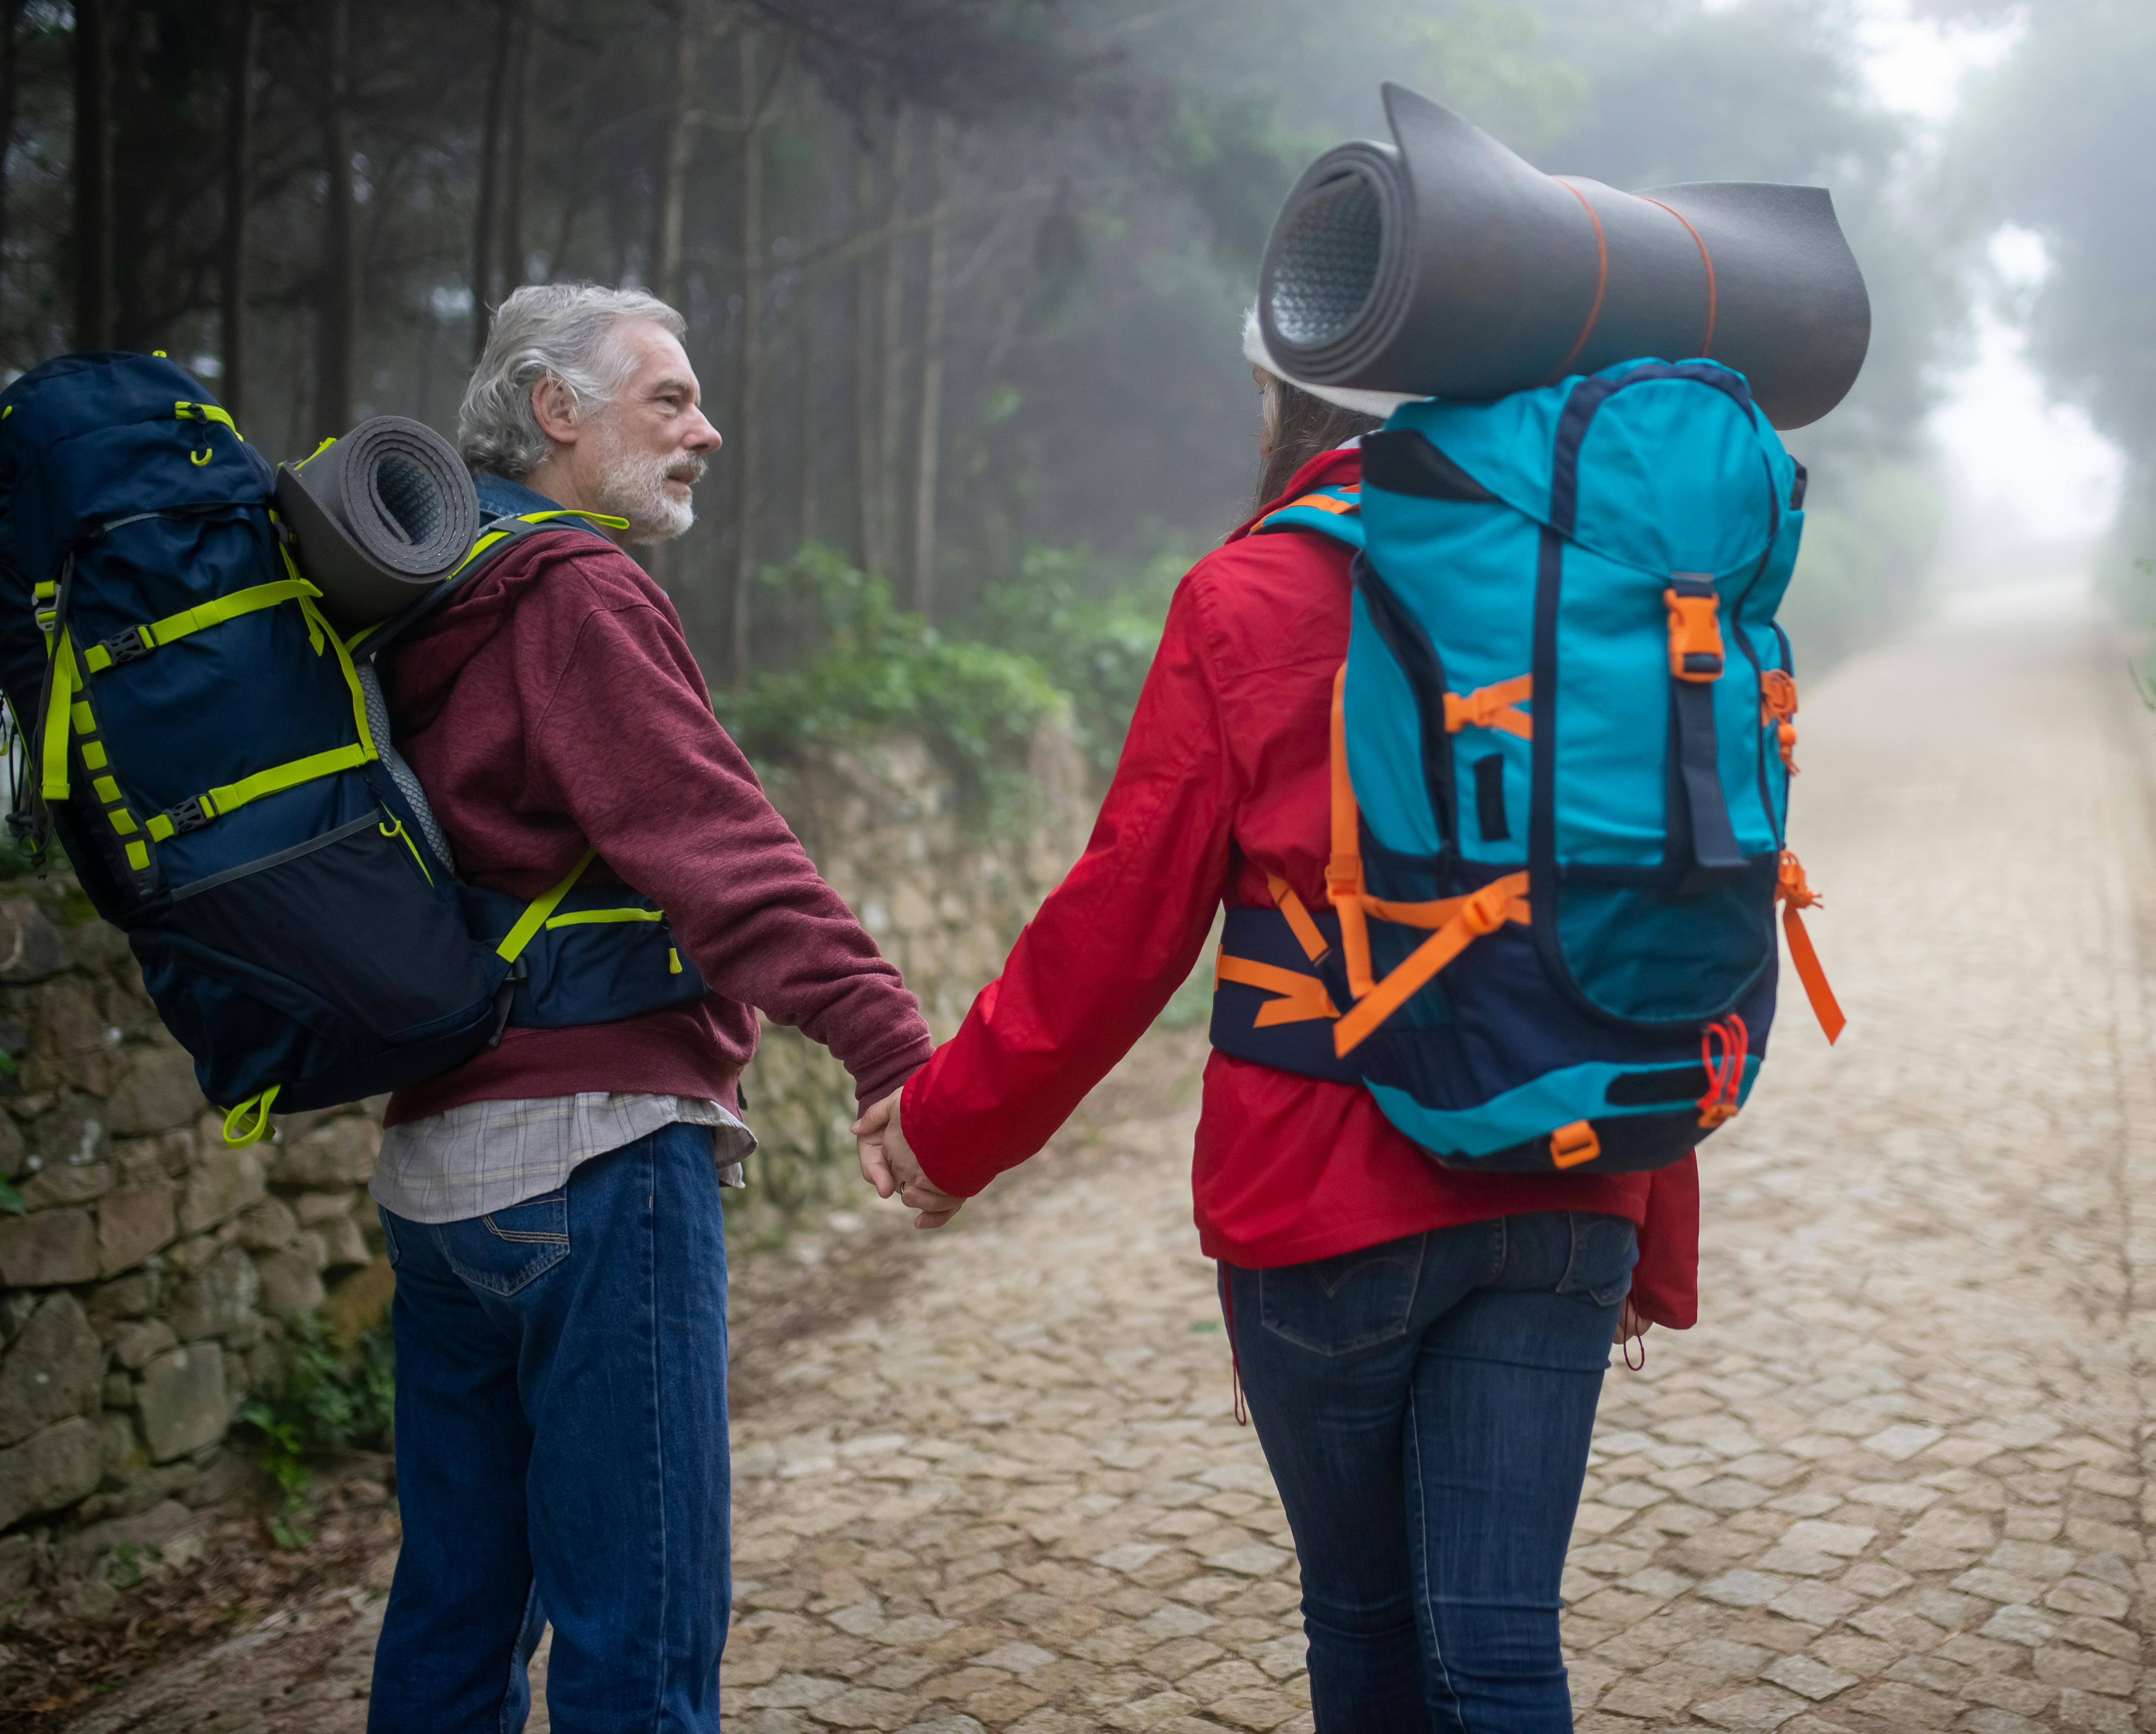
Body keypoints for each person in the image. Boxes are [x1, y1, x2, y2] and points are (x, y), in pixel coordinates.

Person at [855, 321, 1700, 1732]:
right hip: (1576, 1160)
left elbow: (1121, 923)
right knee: (1500, 1650)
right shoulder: (1598, 580)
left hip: (1329, 1188)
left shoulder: (1248, 594)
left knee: (1368, 1622)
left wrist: (950, 1129)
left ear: (1285, 404)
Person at [367, 283, 933, 1734]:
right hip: (598, 1159)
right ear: (555, 411)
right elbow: (720, 856)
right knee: (642, 1628)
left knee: (451, 1614)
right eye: (668, 400)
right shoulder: (573, 592)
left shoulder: (422, 596)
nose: (708, 431)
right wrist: (891, 1043)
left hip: (440, 1179)